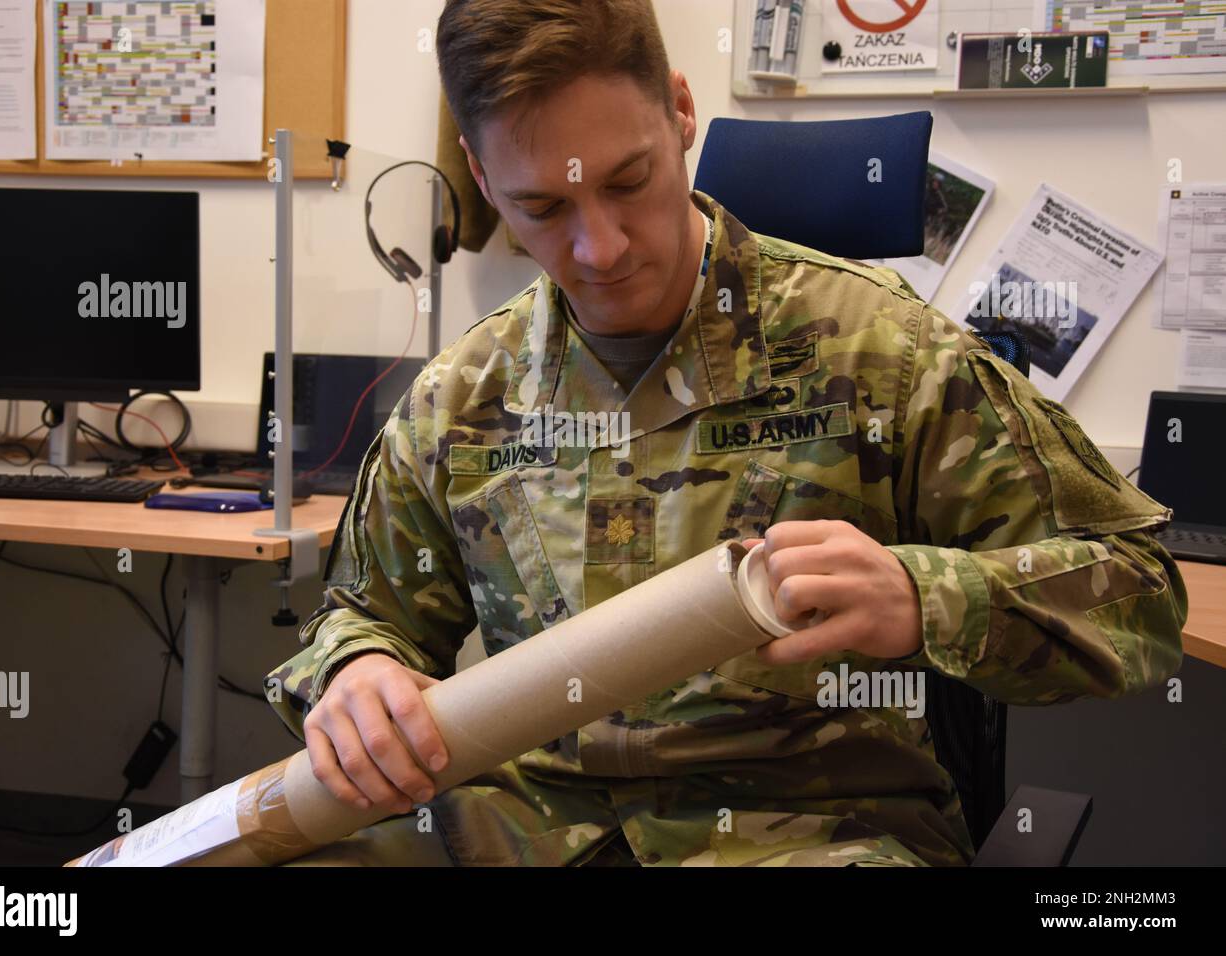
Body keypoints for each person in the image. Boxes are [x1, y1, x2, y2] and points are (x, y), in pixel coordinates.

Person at [263, 0, 1187, 867]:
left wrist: (927, 595)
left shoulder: (885, 354)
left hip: (804, 834)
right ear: (480, 175)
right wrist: (357, 671)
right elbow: (361, 612)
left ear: (679, 112)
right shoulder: (461, 398)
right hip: (529, 828)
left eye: (630, 181)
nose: (602, 248)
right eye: (541, 208)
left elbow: (1142, 596)